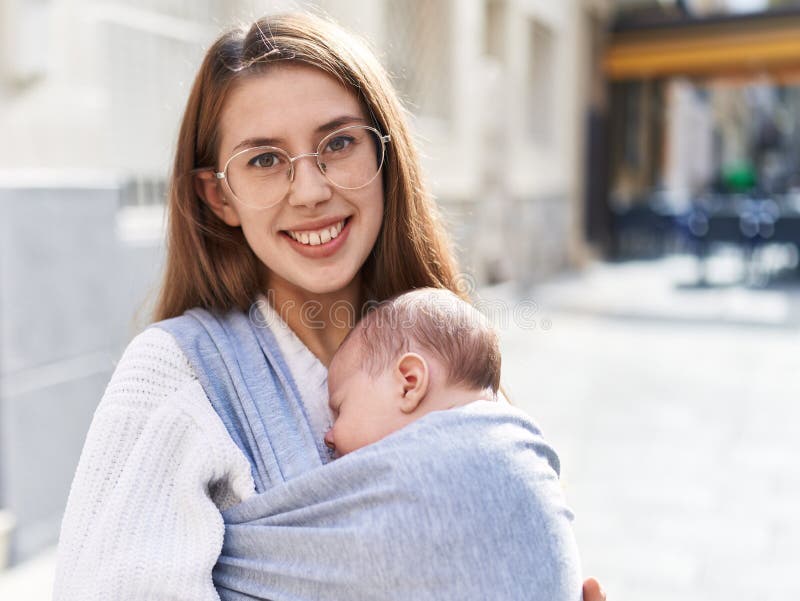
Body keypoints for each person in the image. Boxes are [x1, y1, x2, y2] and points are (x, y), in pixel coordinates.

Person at [53, 12, 606, 601]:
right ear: (219, 197)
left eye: (339, 143)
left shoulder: (436, 352)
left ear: (383, 155)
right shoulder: (177, 378)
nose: (312, 191)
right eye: (264, 160)